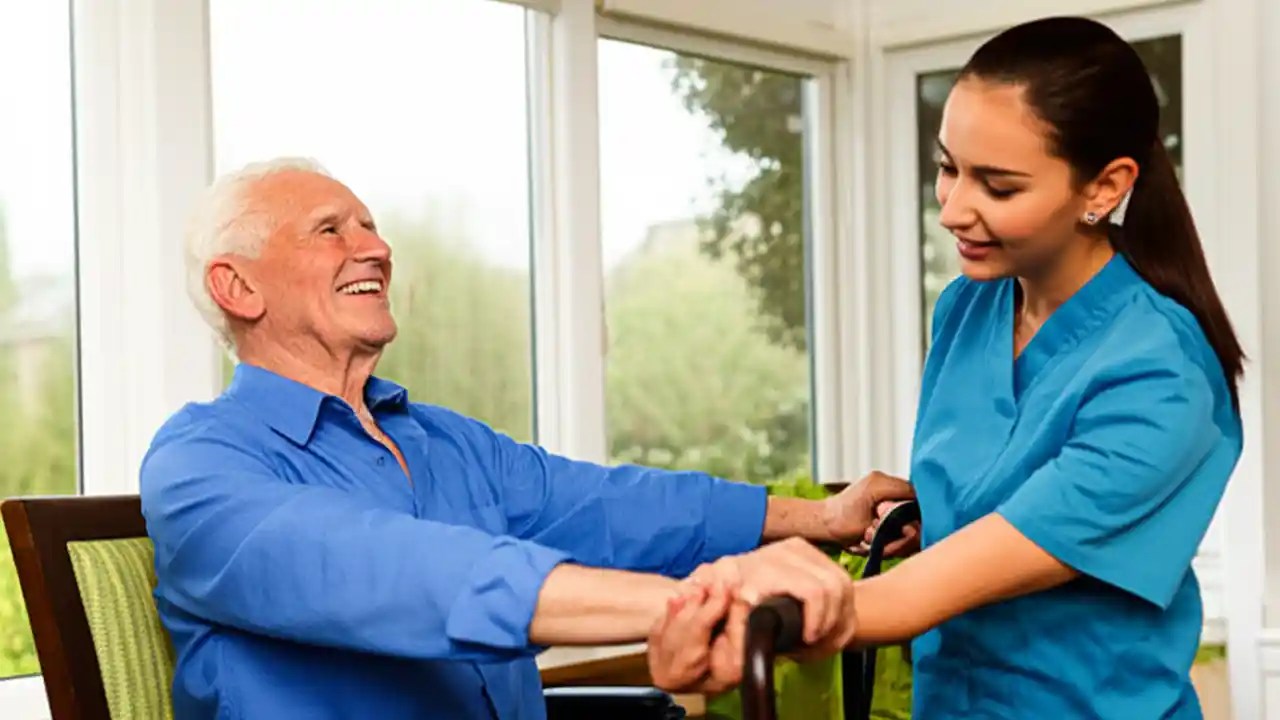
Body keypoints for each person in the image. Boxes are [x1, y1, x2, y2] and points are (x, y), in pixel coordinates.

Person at [139, 156, 913, 719]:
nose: (374, 248)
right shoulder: (201, 467)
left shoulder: (442, 440)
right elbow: (404, 572)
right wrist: (696, 603)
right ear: (236, 286)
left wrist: (821, 517)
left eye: (371, 226)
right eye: (329, 231)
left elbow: (613, 506)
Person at [647, 16, 1243, 719]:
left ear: (1105, 188)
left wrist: (762, 608)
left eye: (998, 186)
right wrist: (937, 518)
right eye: (948, 168)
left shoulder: (1162, 374)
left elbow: (920, 596)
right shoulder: (967, 308)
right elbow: (1015, 516)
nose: (954, 209)